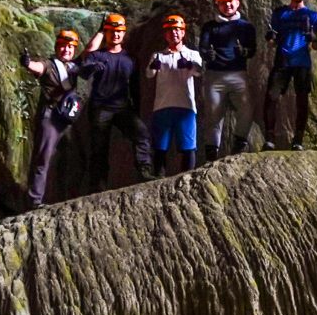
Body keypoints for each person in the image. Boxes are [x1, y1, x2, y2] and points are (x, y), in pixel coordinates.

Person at [76, 13, 147, 188]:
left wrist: (136, 110)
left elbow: (135, 87)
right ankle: (97, 185)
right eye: (111, 31)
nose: (115, 34)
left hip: (123, 107)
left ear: (123, 34)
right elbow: (83, 72)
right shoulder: (97, 56)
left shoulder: (129, 59)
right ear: (106, 33)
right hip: (101, 108)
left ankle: (144, 170)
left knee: (142, 134)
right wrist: (90, 66)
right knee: (99, 148)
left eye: (119, 32)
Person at [20, 27, 84, 207]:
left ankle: (66, 195)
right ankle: (35, 200)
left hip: (66, 118)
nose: (67, 50)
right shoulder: (49, 64)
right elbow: (37, 68)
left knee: (70, 157)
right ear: (57, 47)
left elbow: (89, 51)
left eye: (70, 47)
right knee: (43, 157)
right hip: (50, 117)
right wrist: (27, 63)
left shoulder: (73, 66)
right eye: (63, 46)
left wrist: (102, 32)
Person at [140, 12, 207, 175]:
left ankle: (187, 179)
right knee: (160, 147)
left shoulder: (192, 54)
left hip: (186, 106)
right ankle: (158, 178)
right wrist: (153, 66)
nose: (174, 33)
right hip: (162, 106)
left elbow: (199, 71)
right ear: (165, 34)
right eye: (170, 30)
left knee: (188, 146)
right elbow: (149, 74)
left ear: (183, 32)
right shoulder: (158, 55)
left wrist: (190, 65)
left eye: (177, 29)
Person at [199, 0, 258, 160]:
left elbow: (253, 49)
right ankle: (211, 154)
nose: (228, 5)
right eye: (224, 2)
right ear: (218, 4)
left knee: (247, 108)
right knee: (213, 116)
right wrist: (207, 55)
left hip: (238, 74)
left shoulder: (246, 27)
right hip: (214, 76)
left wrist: (245, 52)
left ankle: (239, 143)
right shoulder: (210, 27)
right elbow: (202, 49)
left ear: (237, 2)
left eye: (231, 1)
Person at [267, 0, 317, 149]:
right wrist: (270, 37)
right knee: (271, 97)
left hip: (302, 63)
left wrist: (312, 36)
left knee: (302, 101)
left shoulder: (312, 16)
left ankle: (298, 139)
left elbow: (315, 47)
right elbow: (272, 43)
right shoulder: (280, 14)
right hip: (282, 61)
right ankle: (270, 139)